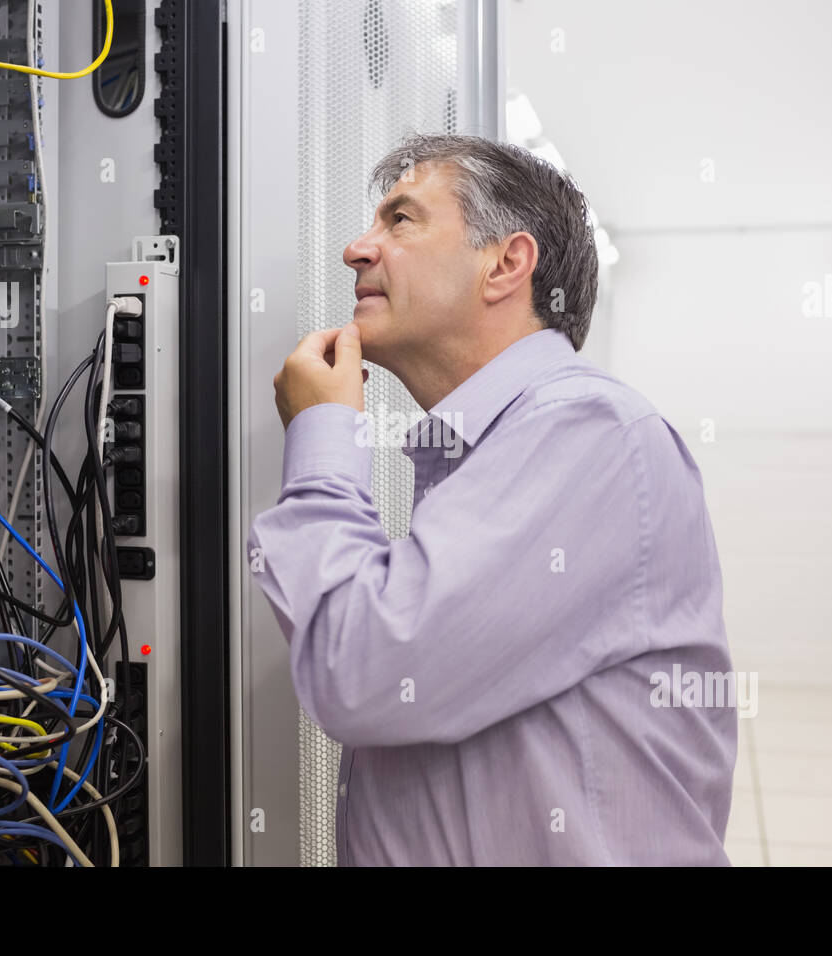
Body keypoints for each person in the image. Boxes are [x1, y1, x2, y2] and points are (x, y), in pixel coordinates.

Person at [248, 133, 736, 865]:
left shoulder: (590, 432)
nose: (356, 249)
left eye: (401, 220)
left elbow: (365, 668)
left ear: (507, 263)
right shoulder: (491, 449)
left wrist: (323, 436)